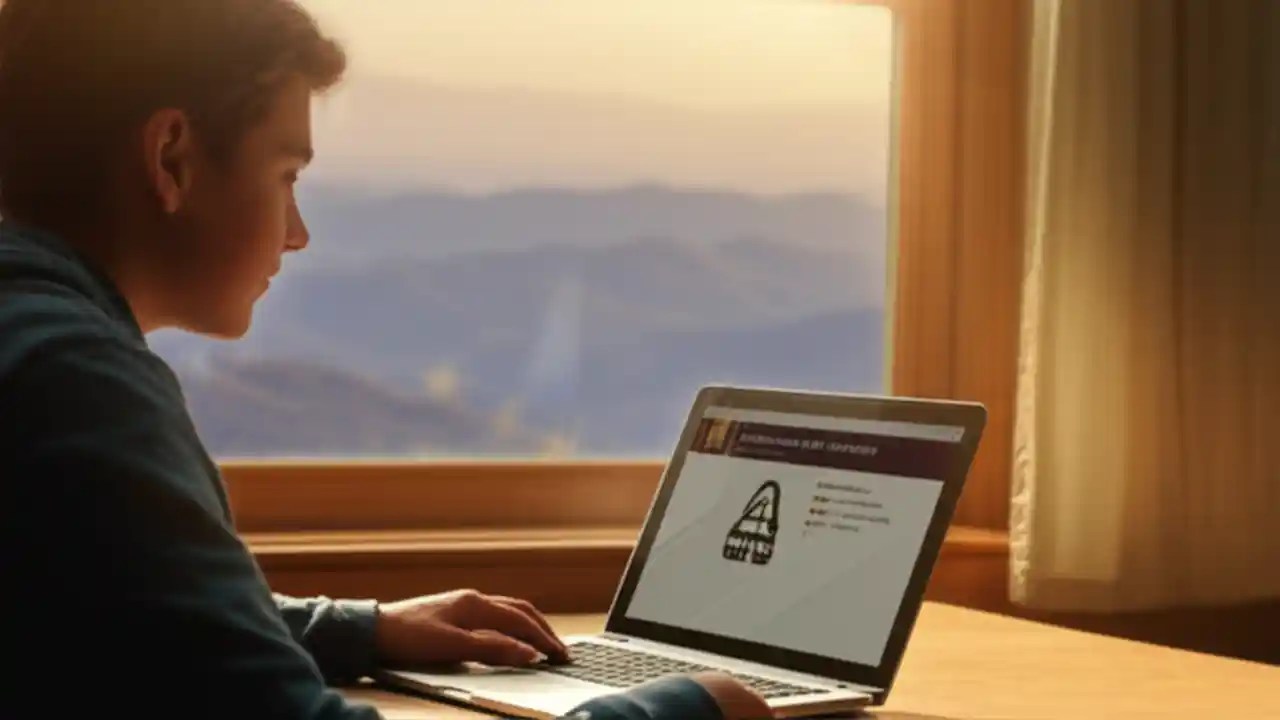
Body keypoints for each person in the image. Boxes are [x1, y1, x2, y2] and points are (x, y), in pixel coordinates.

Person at [0, 2, 774, 719]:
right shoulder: (73, 382)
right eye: (286, 176)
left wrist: (359, 631)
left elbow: (115, 604)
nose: (297, 233)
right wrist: (691, 707)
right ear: (170, 158)